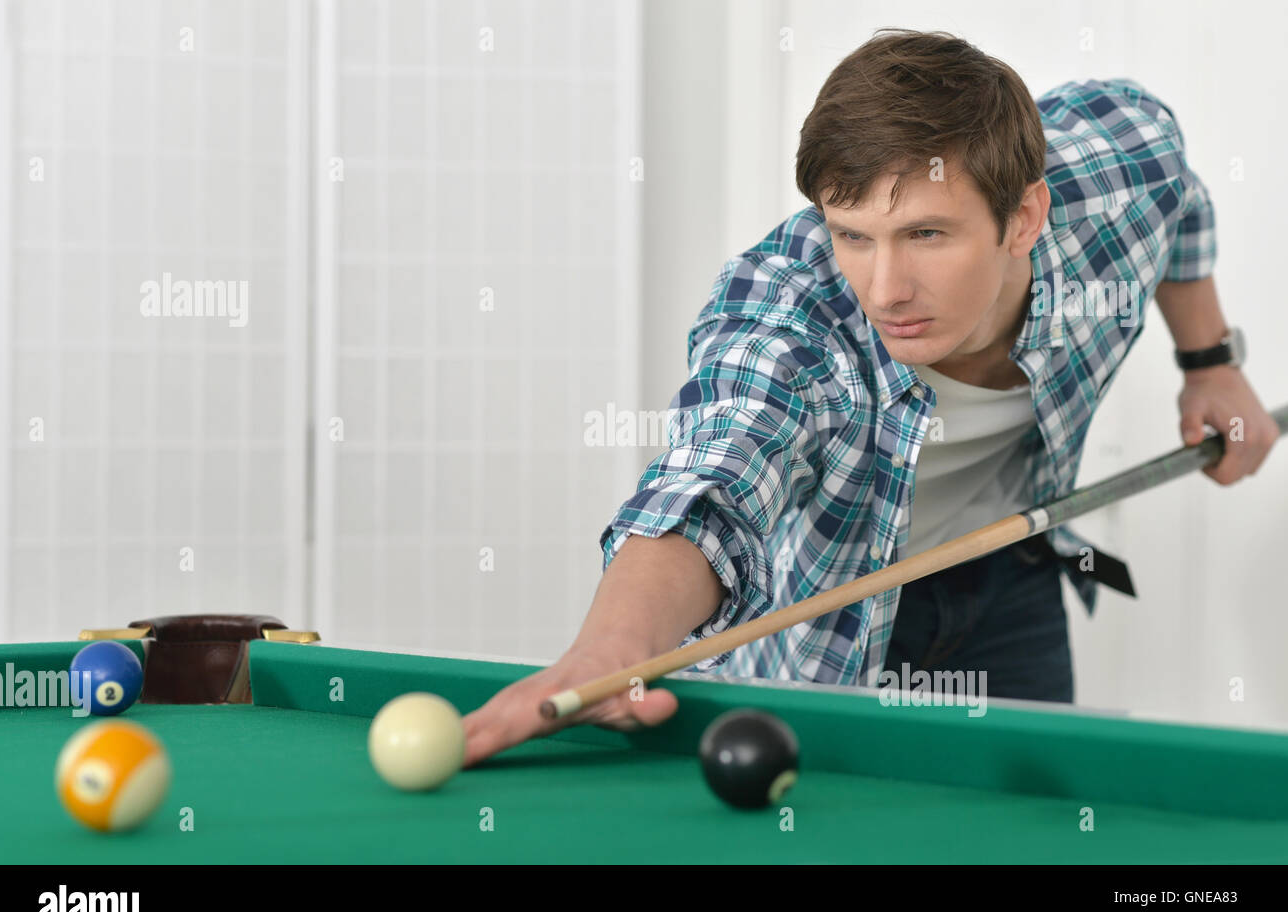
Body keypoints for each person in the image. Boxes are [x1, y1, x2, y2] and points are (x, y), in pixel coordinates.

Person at [462, 28, 1278, 766]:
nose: (885, 289)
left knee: (1034, 827)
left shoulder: (1113, 170)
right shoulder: (790, 316)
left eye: (926, 233)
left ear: (1025, 215)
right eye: (852, 235)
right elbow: (715, 478)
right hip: (834, 619)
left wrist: (1208, 361)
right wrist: (613, 645)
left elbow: (1176, 198)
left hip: (1010, 573)